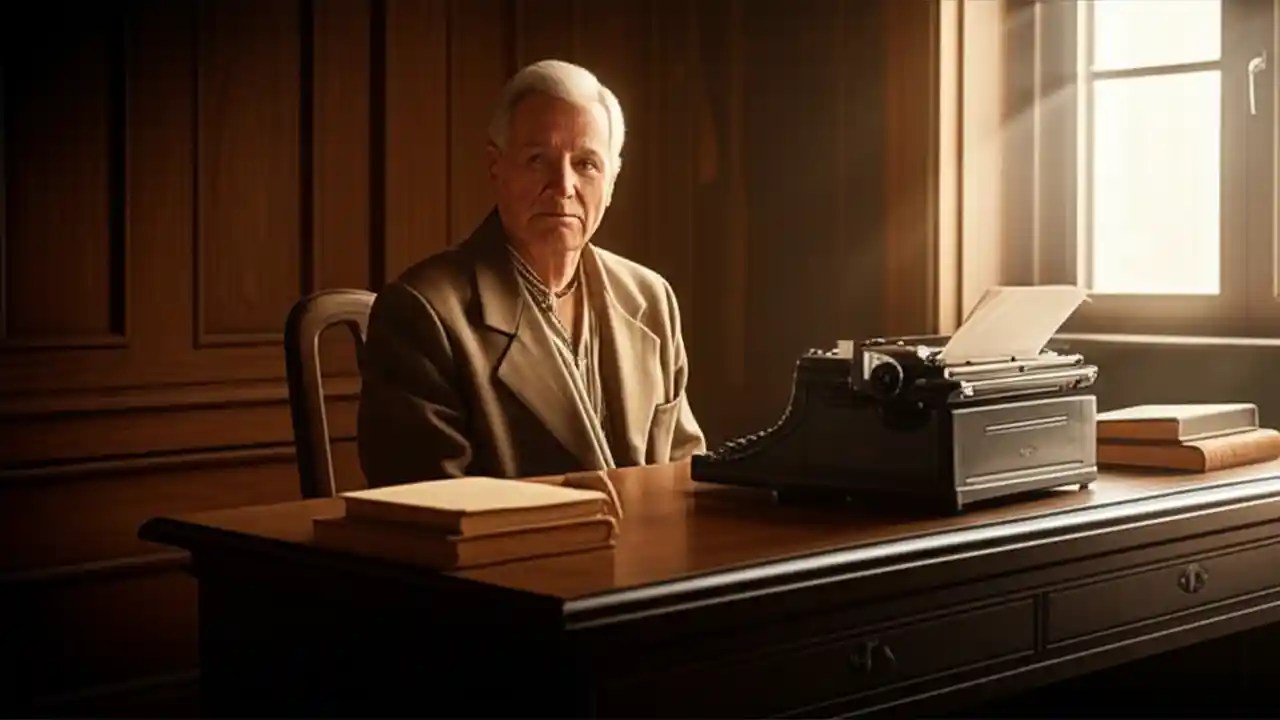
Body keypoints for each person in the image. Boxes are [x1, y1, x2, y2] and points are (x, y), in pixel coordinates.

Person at [356, 59, 706, 486]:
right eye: (538, 159)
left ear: (612, 181)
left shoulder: (651, 299)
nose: (563, 186)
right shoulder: (424, 313)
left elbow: (688, 476)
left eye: (586, 164)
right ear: (496, 167)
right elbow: (426, 505)